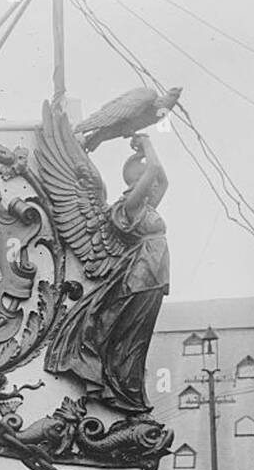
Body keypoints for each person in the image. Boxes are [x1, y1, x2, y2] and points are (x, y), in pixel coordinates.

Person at [43, 134, 170, 414]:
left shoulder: (147, 206)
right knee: (129, 338)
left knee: (137, 339)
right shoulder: (131, 205)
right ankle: (120, 392)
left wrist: (148, 150)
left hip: (154, 275)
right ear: (136, 181)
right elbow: (154, 172)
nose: (152, 184)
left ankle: (128, 394)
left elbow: (162, 178)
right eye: (144, 178)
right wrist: (147, 144)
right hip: (142, 275)